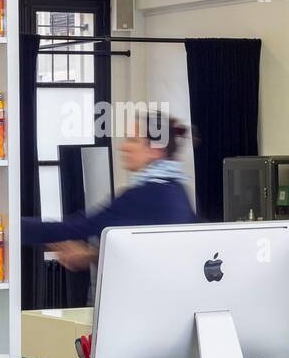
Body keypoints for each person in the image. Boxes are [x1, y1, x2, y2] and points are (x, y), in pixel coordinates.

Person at [22, 112, 196, 271]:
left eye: (133, 140)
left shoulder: (145, 195)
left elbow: (76, 226)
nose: (123, 147)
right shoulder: (177, 189)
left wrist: (12, 228)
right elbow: (148, 253)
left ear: (155, 150)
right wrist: (93, 256)